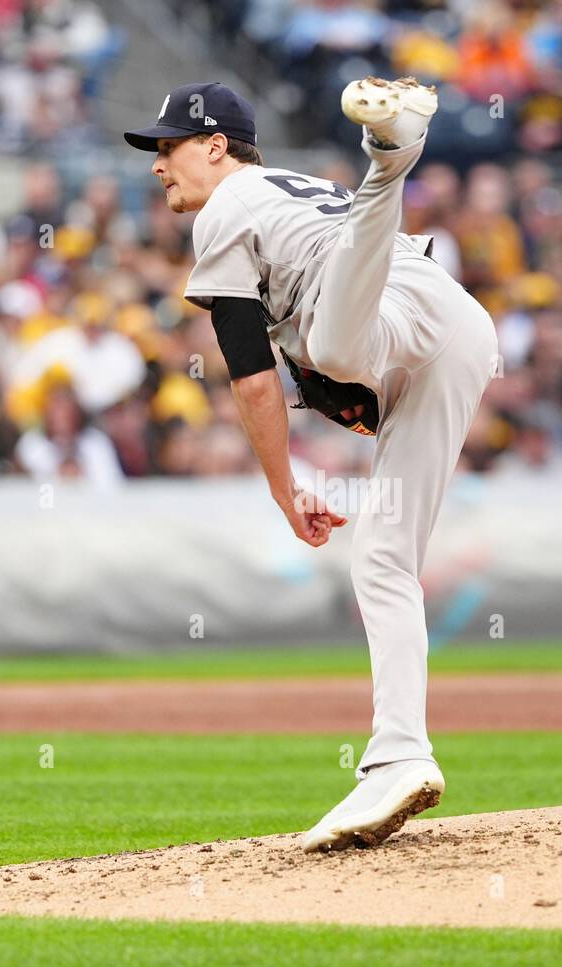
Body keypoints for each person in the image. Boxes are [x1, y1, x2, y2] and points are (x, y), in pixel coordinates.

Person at [124, 79, 498, 851]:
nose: (160, 165)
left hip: (389, 307)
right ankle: (400, 757)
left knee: (330, 344)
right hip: (453, 330)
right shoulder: (285, 194)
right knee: (383, 559)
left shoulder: (226, 209)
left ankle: (392, 155)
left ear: (216, 146)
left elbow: (252, 375)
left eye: (170, 147)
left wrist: (285, 488)